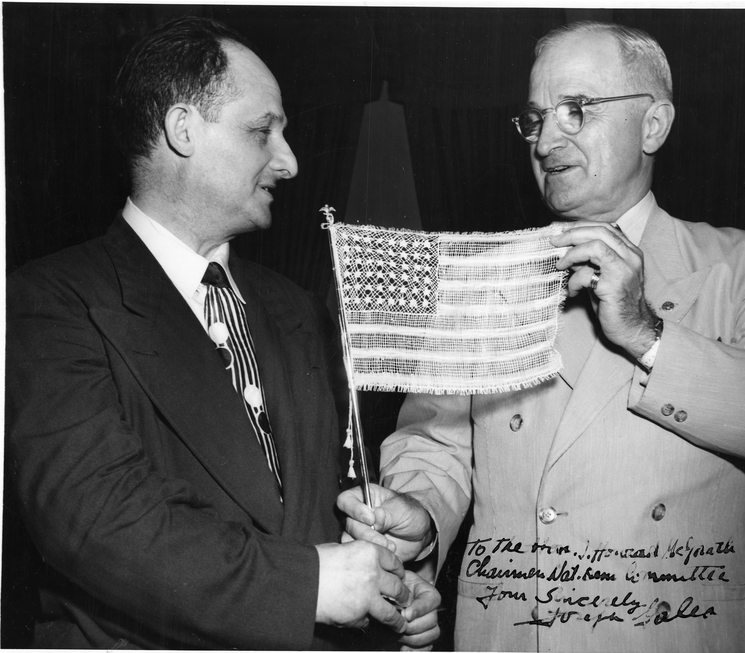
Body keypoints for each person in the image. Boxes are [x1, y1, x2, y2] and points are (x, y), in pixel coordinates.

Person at [338, 20, 745, 652]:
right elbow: (434, 442)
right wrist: (418, 517)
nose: (546, 138)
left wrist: (647, 333)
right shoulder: (481, 278)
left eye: (577, 110)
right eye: (535, 118)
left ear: (654, 125)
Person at [5, 15, 441, 650]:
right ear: (183, 131)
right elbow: (95, 518)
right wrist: (315, 584)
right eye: (263, 131)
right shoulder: (48, 303)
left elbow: (322, 514)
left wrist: (390, 589)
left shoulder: (298, 310)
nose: (289, 162)